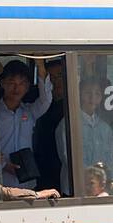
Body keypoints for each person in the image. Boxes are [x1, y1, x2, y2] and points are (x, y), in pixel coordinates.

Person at [0, 59, 54, 189]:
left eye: (22, 83)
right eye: (11, 83)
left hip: (27, 184)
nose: (16, 88)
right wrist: (4, 165)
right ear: (2, 83)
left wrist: (40, 65)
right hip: (1, 185)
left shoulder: (30, 112)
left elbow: (46, 100)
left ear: (28, 87)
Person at [56, 74, 113, 193]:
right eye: (88, 93)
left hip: (100, 189)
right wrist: (90, 179)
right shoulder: (69, 123)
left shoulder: (105, 128)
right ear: (78, 94)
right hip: (75, 189)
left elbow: (110, 159)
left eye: (97, 94)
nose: (92, 98)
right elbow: (67, 157)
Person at [32, 58, 67, 192]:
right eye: (51, 77)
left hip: (65, 169)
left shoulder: (73, 105)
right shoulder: (38, 103)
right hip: (42, 166)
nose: (56, 81)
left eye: (59, 76)